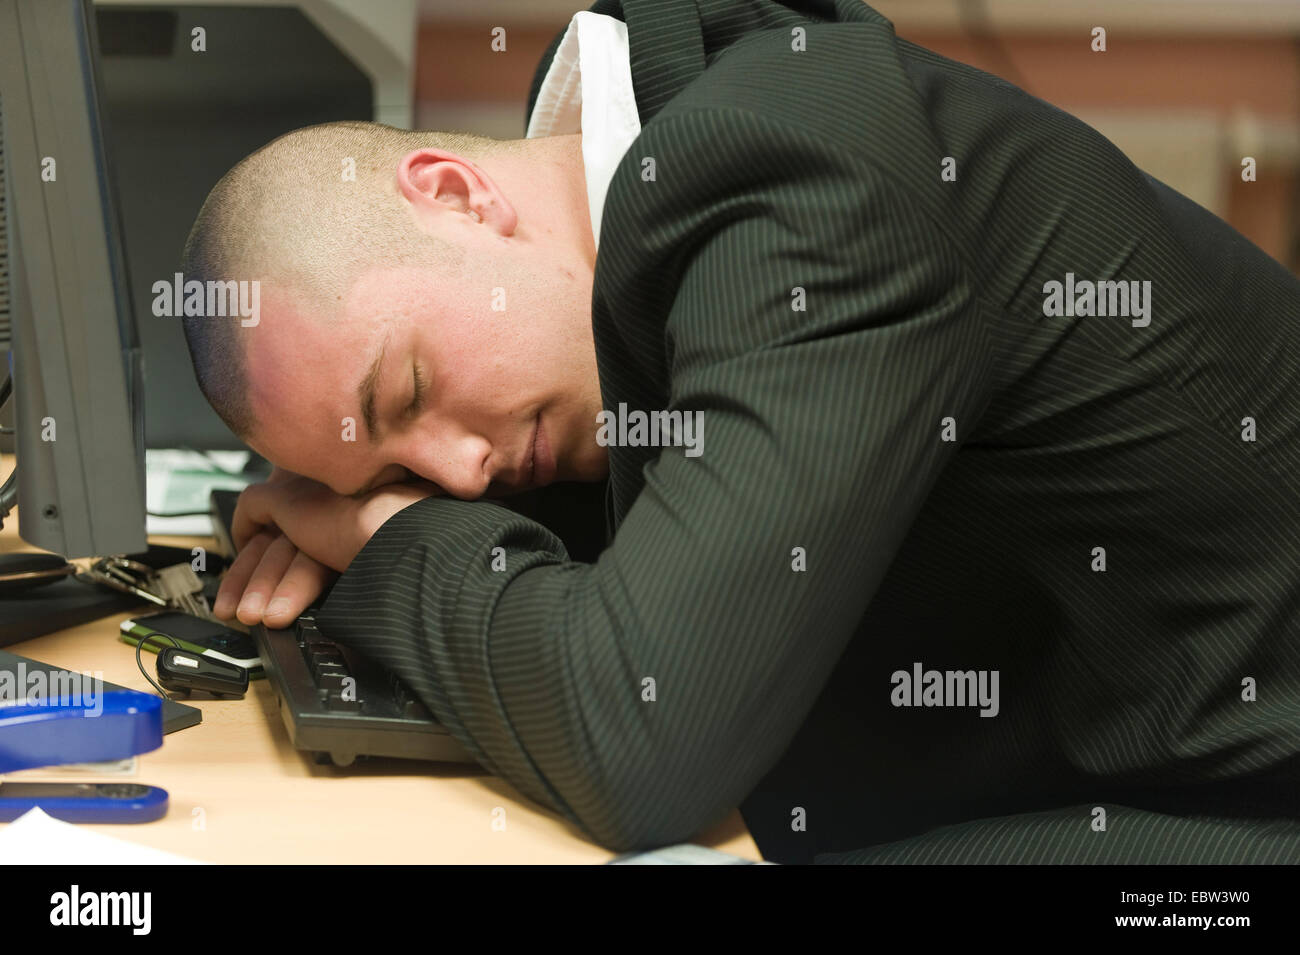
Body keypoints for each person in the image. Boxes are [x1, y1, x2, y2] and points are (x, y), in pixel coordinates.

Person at [181, 0, 1300, 864]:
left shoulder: (794, 179)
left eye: (409, 389)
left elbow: (643, 738)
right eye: (387, 468)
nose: (458, 470)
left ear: (456, 195)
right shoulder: (641, 179)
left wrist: (385, 542)